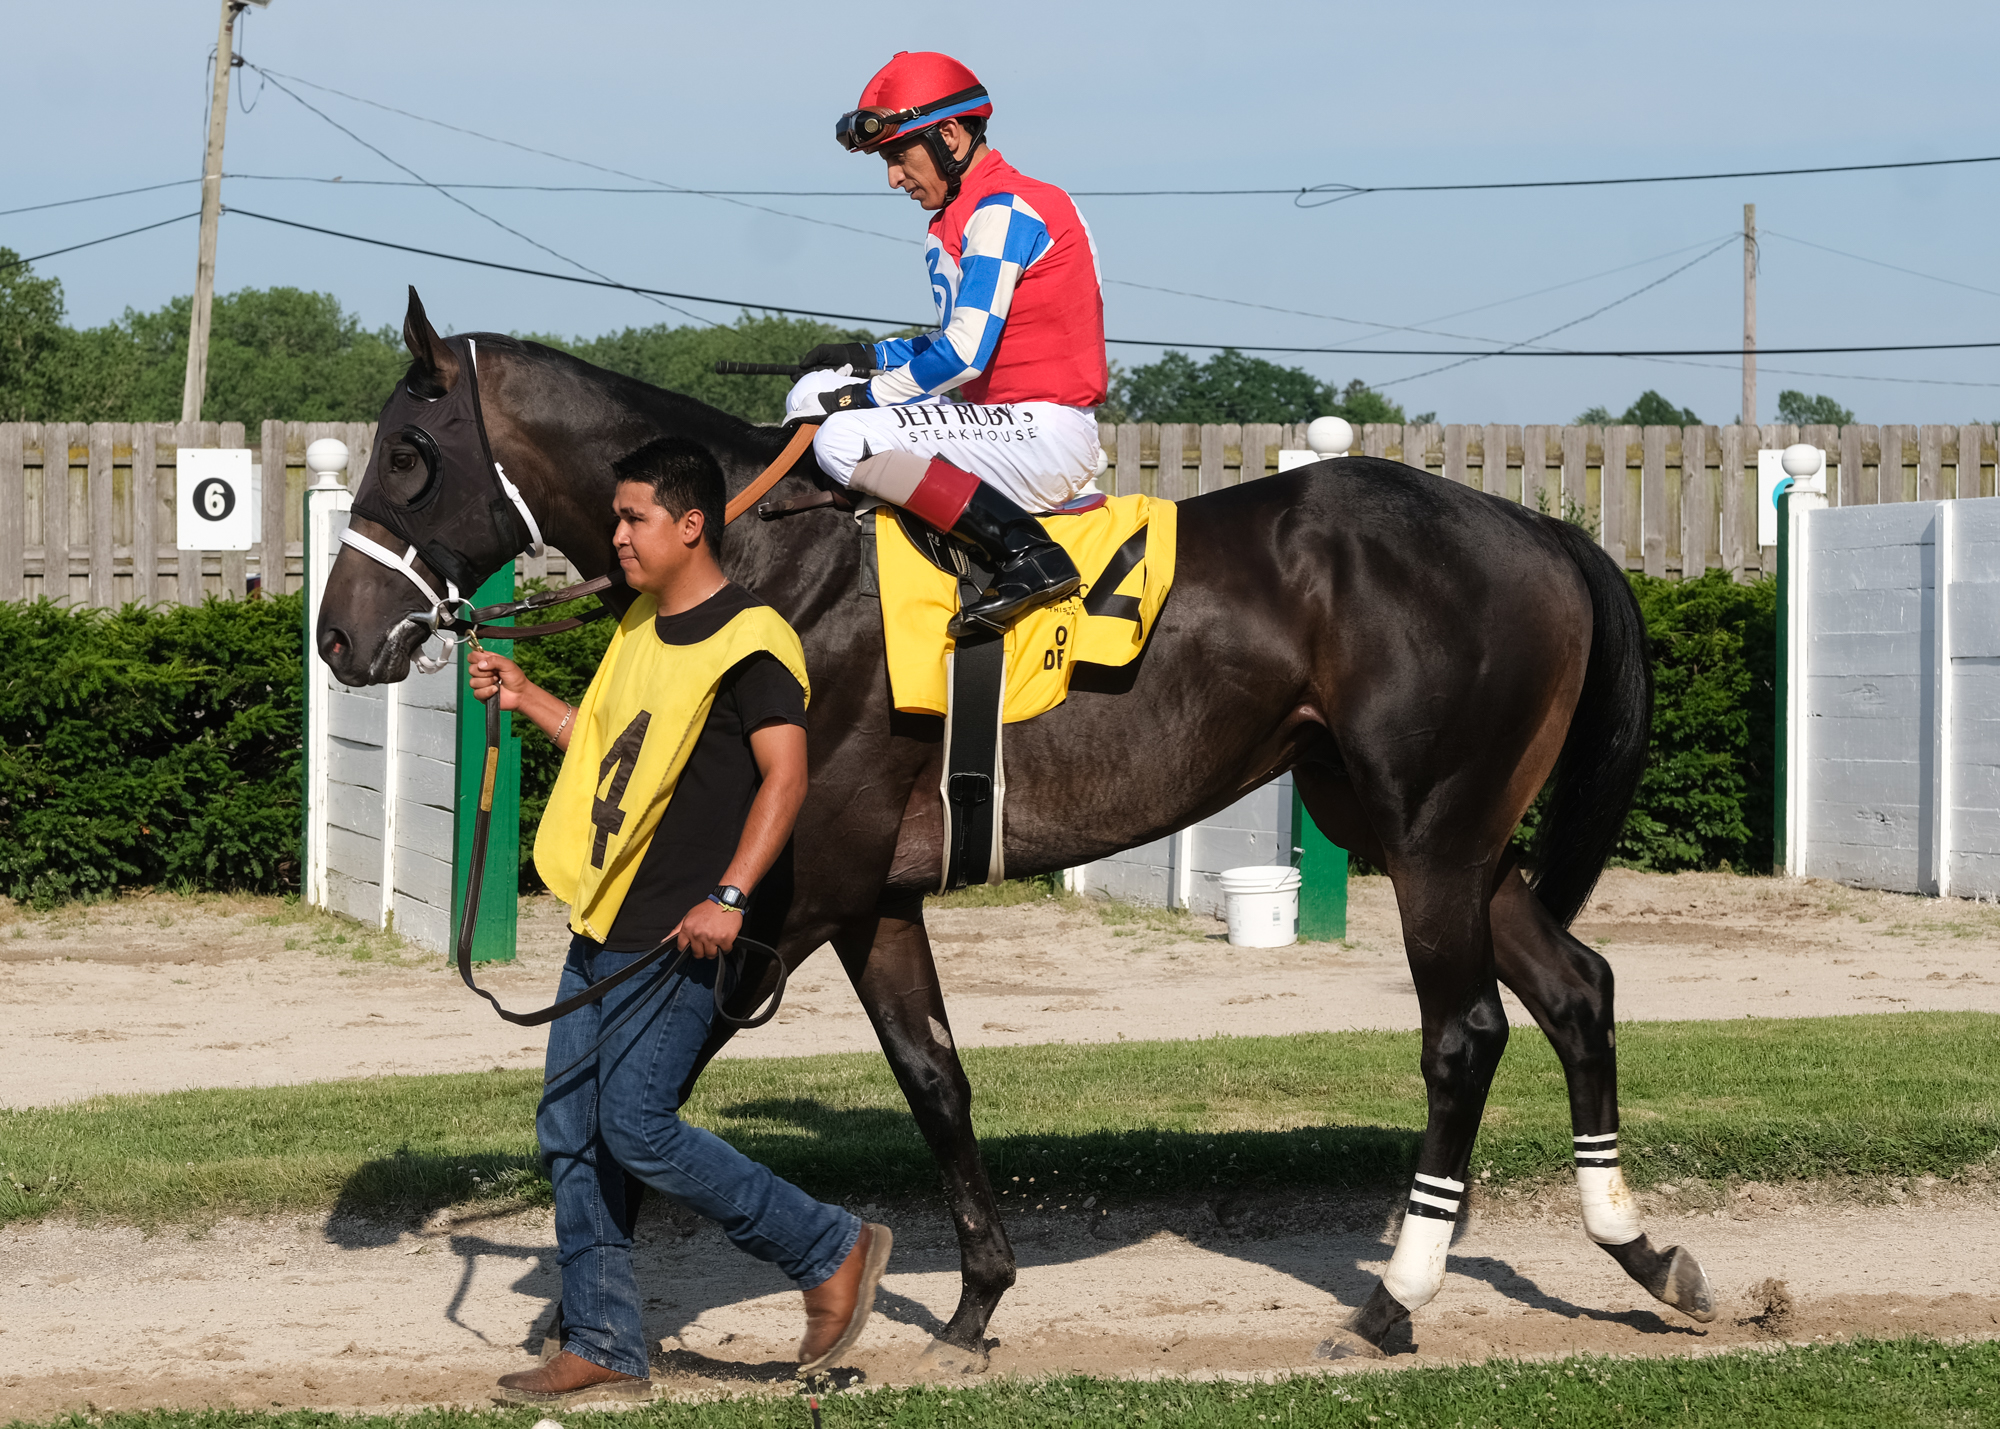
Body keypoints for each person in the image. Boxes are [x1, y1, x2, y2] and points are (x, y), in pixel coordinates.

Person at [469, 437, 891, 1404]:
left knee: (636, 1124)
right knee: (570, 1132)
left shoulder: (753, 640)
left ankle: (830, 1245)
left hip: (684, 931)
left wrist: (731, 895)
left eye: (632, 518)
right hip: (605, 922)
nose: (615, 535)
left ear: (690, 524)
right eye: (618, 518)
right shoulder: (639, 628)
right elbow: (610, 747)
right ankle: (609, 1344)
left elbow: (788, 776)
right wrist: (530, 696)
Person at [785, 50, 1109, 637]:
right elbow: (955, 340)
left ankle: (1028, 553)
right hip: (996, 419)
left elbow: (963, 354)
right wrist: (866, 359)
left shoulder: (1007, 207)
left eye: (898, 156)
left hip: (1043, 429)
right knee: (813, 392)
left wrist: (865, 398)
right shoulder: (964, 213)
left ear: (951, 136)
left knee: (840, 433)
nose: (893, 178)